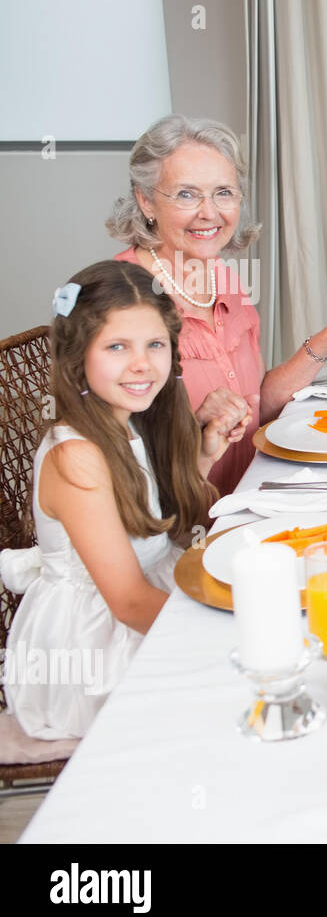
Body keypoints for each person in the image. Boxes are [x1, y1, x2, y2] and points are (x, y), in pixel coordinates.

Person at [1, 261, 242, 739]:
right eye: (117, 347)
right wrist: (227, 634)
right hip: (93, 644)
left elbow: (149, 518)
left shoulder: (125, 420)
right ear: (77, 358)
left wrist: (204, 456)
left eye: (155, 344)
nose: (142, 364)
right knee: (232, 692)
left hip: (141, 595)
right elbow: (130, 602)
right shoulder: (77, 457)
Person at [107, 115, 327, 495]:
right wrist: (196, 426)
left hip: (254, 493)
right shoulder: (120, 298)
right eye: (187, 194)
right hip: (185, 525)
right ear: (146, 201)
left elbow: (259, 404)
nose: (210, 212)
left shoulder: (223, 278)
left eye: (224, 192)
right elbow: (113, 460)